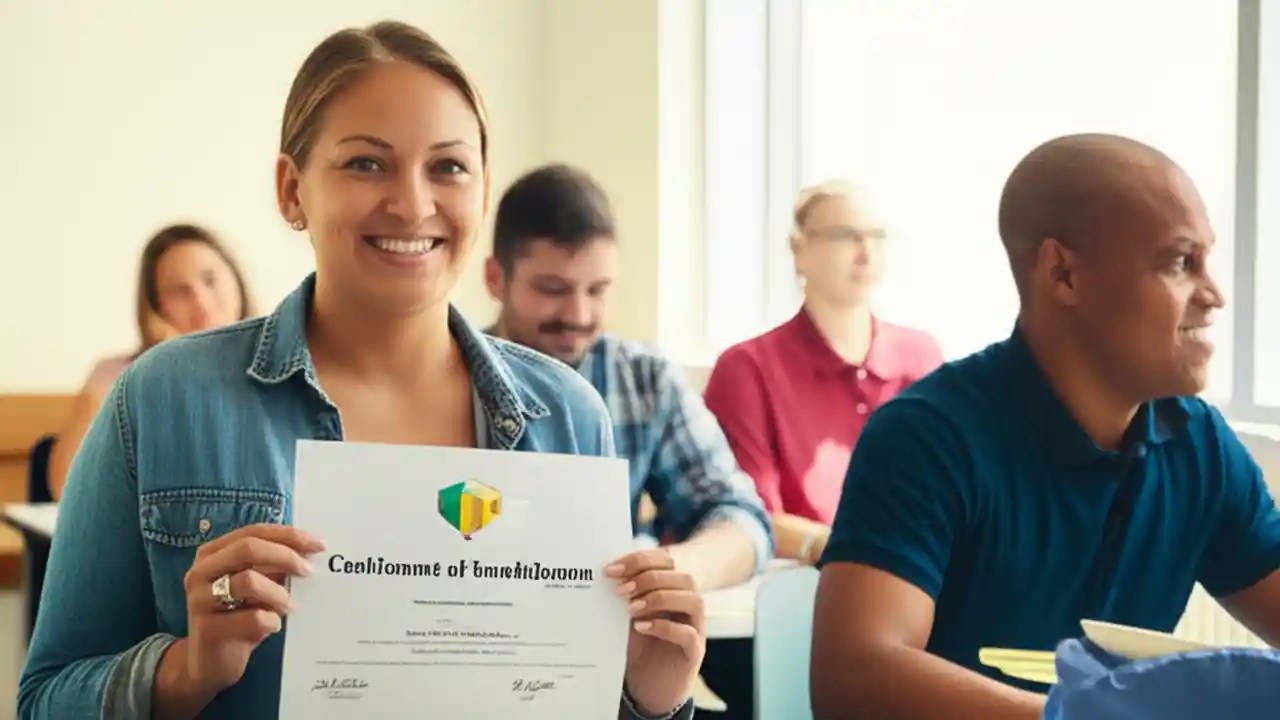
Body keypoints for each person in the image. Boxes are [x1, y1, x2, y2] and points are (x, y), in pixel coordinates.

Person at [19, 21, 703, 720]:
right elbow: (45, 698)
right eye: (366, 164)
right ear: (292, 190)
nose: (412, 203)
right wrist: (185, 671)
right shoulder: (164, 399)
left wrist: (646, 695)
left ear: (483, 190)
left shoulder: (569, 414)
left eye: (449, 167)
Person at [810, 133, 1280, 719]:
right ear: (1063, 275)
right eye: (1180, 262)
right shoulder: (927, 437)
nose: (1214, 295)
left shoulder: (1200, 444)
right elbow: (853, 677)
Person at [483, 163, 773, 593]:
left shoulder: (643, 379)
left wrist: (669, 571)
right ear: (495, 279)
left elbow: (741, 517)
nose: (578, 316)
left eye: (598, 290)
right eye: (552, 289)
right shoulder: (445, 376)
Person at [703, 181, 942, 565]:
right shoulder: (747, 368)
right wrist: (850, 552)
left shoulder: (922, 356)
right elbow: (745, 516)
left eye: (877, 237)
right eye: (846, 236)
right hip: (800, 587)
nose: (866, 253)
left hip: (923, 581)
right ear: (799, 250)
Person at [48, 223, 254, 499]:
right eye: (179, 291)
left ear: (236, 280)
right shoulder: (118, 376)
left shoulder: (283, 369)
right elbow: (66, 485)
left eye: (210, 279)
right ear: (156, 309)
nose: (201, 302)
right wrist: (171, 366)